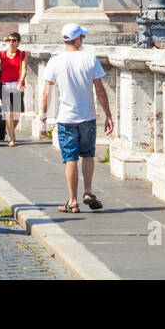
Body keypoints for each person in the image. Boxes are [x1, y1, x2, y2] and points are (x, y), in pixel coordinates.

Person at [39, 24, 114, 213]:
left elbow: (46, 93)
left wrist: (43, 118)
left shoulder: (55, 61)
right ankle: (88, 191)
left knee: (70, 158)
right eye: (82, 37)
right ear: (78, 39)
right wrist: (108, 114)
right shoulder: (90, 59)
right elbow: (100, 89)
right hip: (87, 116)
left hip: (66, 118)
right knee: (88, 154)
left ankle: (72, 201)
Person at [0, 32, 28, 146]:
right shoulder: (2, 54)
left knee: (16, 114)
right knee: (8, 113)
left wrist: (21, 81)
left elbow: (24, 69)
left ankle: (11, 130)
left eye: (14, 40)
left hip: (17, 85)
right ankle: (11, 139)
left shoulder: (22, 54)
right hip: (5, 85)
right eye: (9, 40)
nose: (11, 42)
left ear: (18, 42)